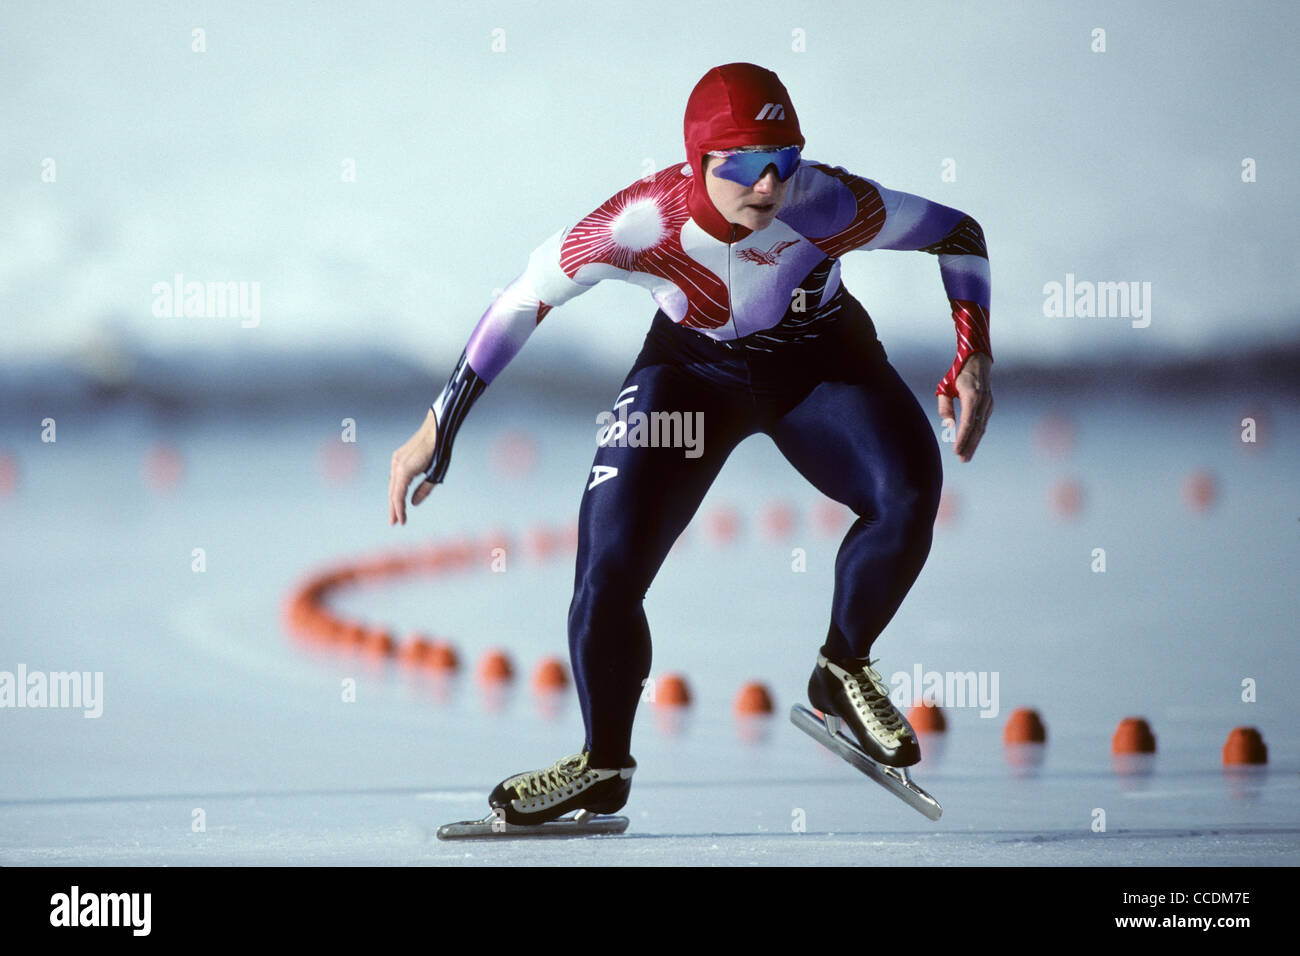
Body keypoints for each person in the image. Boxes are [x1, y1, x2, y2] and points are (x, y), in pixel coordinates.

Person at [387, 62, 993, 825]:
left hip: (820, 369)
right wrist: (438, 426)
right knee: (606, 573)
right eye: (741, 165)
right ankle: (603, 764)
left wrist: (973, 352)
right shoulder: (640, 224)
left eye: (784, 161)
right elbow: (523, 300)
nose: (767, 186)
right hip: (691, 380)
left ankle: (842, 666)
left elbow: (959, 233)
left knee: (907, 496)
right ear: (695, 158)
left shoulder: (830, 201)